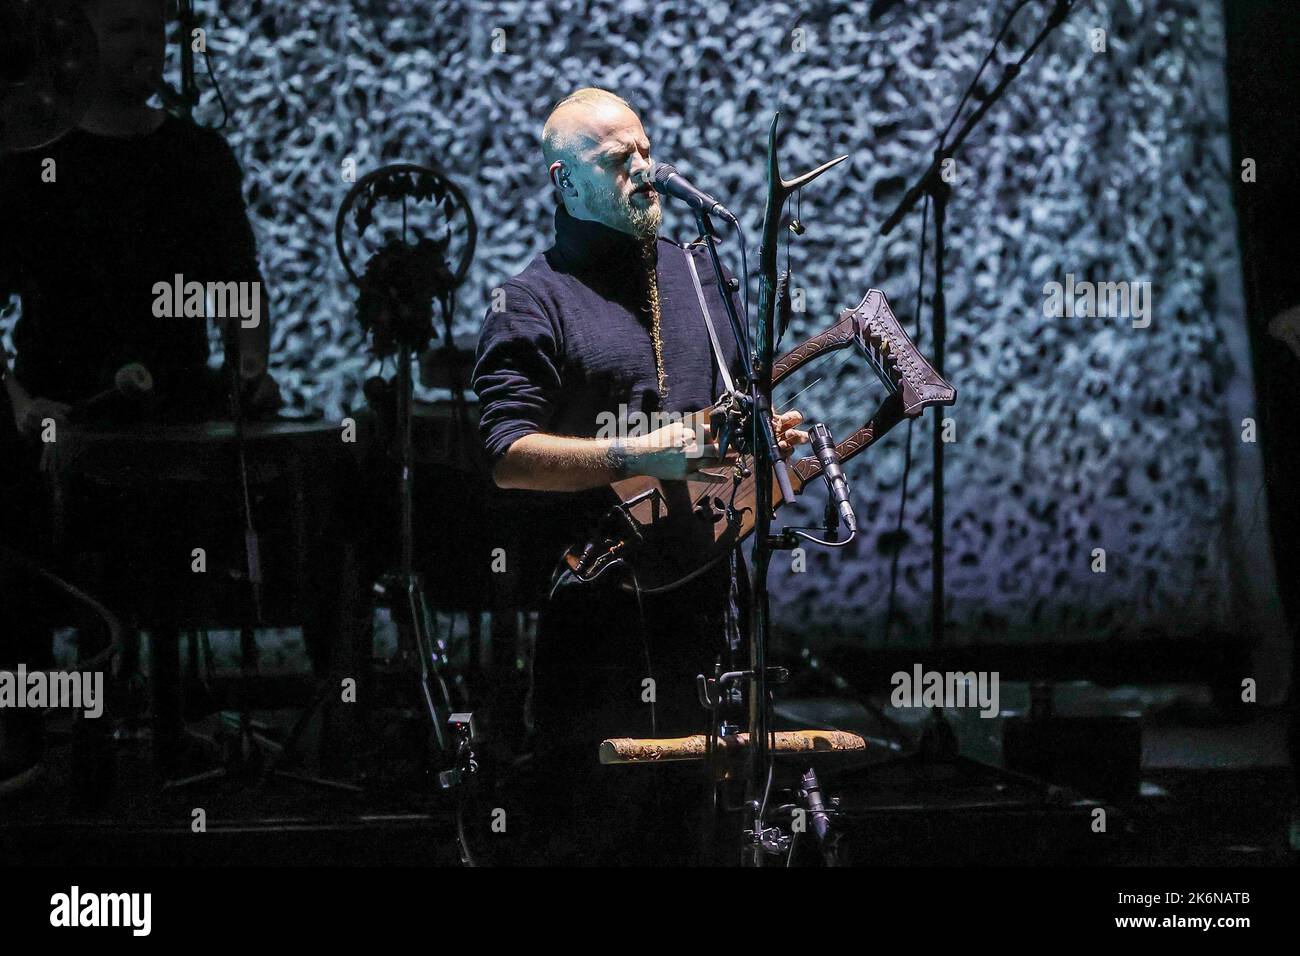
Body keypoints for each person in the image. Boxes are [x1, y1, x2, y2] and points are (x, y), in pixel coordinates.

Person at [472, 87, 807, 864]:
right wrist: (636, 455)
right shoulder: (532, 300)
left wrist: (760, 447)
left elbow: (717, 428)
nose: (646, 170)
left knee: (708, 833)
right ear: (565, 181)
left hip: (710, 614)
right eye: (621, 160)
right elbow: (505, 455)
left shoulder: (700, 277)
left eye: (648, 151)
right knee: (598, 832)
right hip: (596, 626)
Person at [0, 0, 281, 789]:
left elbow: (239, 290)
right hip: (62, 423)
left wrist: (248, 368)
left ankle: (177, 719)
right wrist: (22, 404)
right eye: (126, 29)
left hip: (178, 424)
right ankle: (29, 735)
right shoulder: (30, 158)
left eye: (155, 31)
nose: (148, 47)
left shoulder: (198, 154)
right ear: (76, 42)